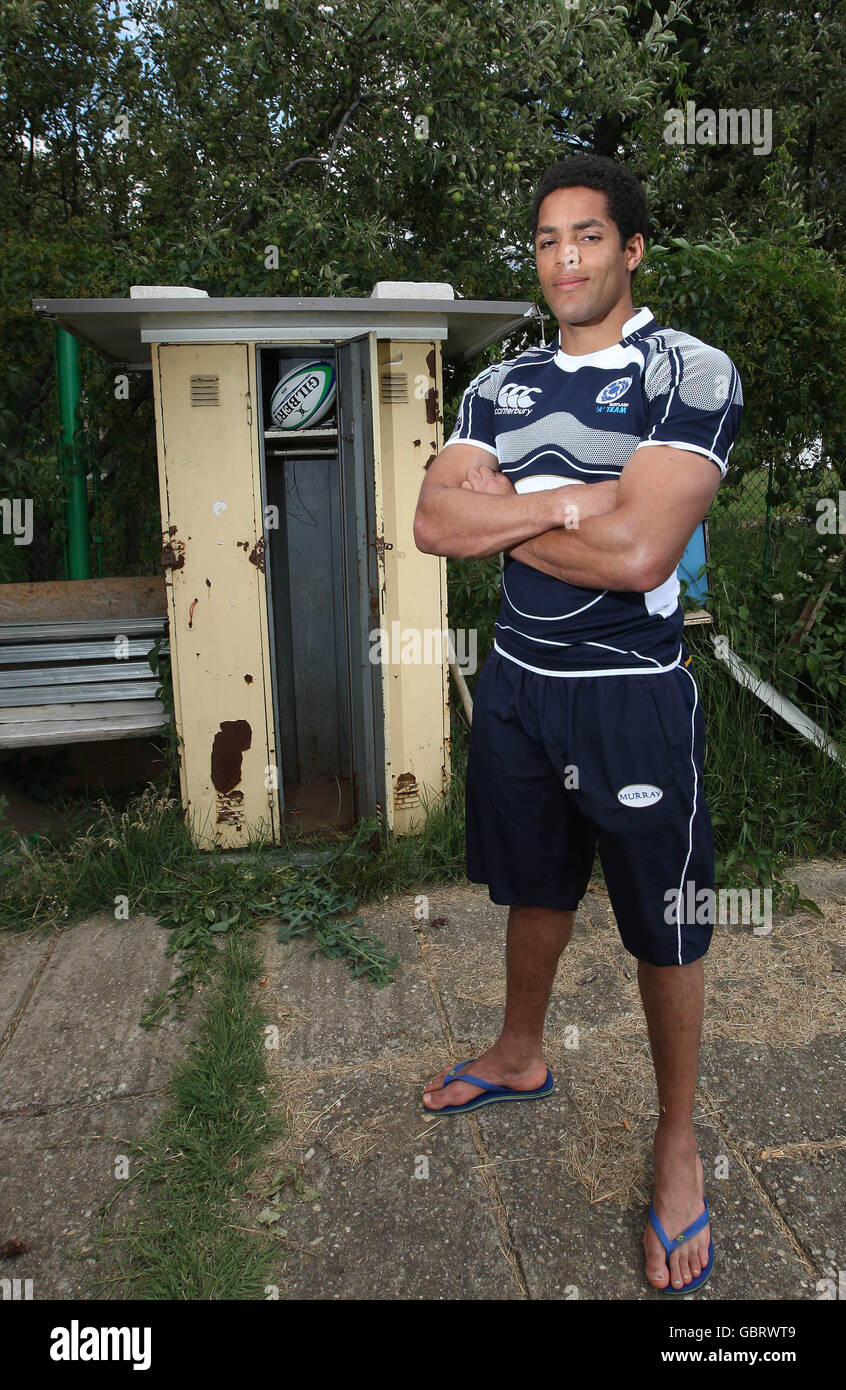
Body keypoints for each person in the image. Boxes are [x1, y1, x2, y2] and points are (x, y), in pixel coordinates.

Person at [412, 153, 743, 1295]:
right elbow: (430, 523)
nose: (565, 258)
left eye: (588, 236)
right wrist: (576, 502)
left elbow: (644, 553)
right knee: (532, 886)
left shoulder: (684, 370)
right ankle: (519, 1050)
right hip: (516, 687)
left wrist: (503, 513)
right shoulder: (496, 387)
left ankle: (679, 1144)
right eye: (549, 238)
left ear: (632, 248)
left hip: (631, 698)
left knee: (667, 926)